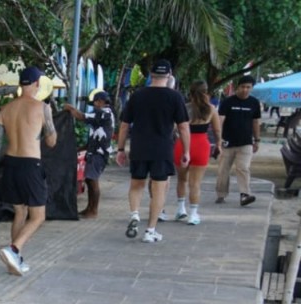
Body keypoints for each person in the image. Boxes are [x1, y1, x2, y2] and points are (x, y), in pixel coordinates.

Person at [0, 66, 58, 275]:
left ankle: (13, 262)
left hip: (10, 164)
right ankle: (13, 249)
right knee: (38, 216)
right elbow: (52, 141)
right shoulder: (42, 107)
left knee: (20, 212)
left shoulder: (6, 109)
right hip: (30, 165)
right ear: (36, 84)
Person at [114, 59, 190, 243]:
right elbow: (183, 127)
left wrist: (121, 149)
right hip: (162, 149)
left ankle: (134, 214)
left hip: (139, 147)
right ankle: (150, 230)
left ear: (151, 75)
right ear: (169, 75)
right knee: (159, 189)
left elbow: (124, 126)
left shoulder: (138, 95)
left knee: (136, 185)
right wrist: (186, 151)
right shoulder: (175, 97)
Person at [169, 80, 222, 225]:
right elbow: (217, 130)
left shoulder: (184, 108)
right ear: (206, 92)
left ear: (190, 93)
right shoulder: (211, 109)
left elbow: (174, 128)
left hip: (182, 144)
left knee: (181, 179)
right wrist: (218, 143)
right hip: (201, 145)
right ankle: (193, 214)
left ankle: (180, 209)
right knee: (195, 183)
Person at [62, 90, 114, 219]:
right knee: (89, 181)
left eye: (96, 102)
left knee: (92, 180)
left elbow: (82, 116)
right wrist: (82, 148)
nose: (95, 105)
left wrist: (71, 108)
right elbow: (94, 136)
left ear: (101, 102)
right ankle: (89, 208)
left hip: (99, 153)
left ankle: (93, 210)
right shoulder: (98, 116)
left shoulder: (105, 113)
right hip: (93, 151)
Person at [215, 75, 262, 206]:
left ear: (252, 88)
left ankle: (245, 195)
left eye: (248, 87)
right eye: (243, 87)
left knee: (243, 168)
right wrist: (219, 139)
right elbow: (221, 120)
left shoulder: (254, 103)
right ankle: (221, 194)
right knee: (223, 170)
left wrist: (257, 140)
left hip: (246, 142)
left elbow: (256, 122)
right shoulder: (228, 102)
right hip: (228, 142)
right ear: (238, 87)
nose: (245, 90)